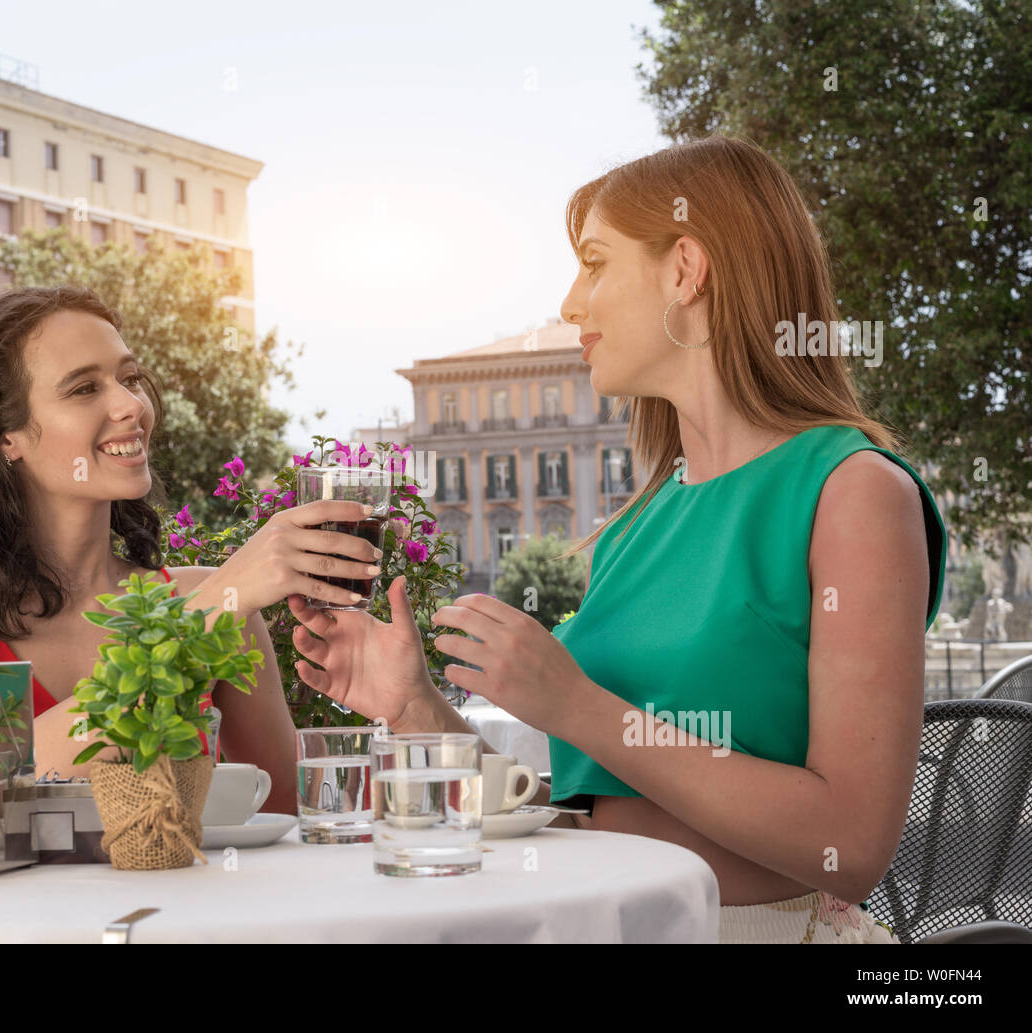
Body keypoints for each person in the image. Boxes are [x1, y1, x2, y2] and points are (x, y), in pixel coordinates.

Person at [287, 135, 947, 943]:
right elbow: (577, 824)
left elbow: (851, 845)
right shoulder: (632, 531)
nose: (571, 304)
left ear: (685, 270)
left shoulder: (854, 492)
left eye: (595, 263)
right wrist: (417, 708)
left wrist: (579, 706)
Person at [0, 286, 382, 816]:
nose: (131, 405)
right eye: (85, 388)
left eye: (129, 379)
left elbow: (292, 813)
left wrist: (406, 706)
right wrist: (212, 609)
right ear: (4, 437)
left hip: (182, 900)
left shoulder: (201, 598)